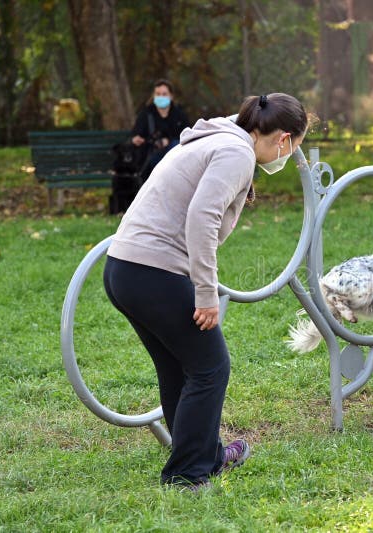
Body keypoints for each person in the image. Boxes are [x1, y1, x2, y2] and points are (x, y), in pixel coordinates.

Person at [104, 93, 308, 489]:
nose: (286, 157)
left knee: (179, 367)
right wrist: (205, 293)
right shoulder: (237, 152)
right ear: (284, 139)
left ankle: (205, 457)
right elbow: (202, 218)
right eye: (293, 147)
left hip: (124, 268)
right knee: (211, 367)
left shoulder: (219, 136)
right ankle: (187, 474)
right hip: (154, 270)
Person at [131, 79, 191, 179]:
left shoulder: (179, 115)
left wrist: (168, 140)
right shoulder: (146, 114)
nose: (161, 97)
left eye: (164, 94)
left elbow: (187, 135)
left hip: (174, 155)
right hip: (151, 155)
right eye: (158, 94)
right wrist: (136, 139)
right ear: (153, 96)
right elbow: (137, 133)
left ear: (171, 96)